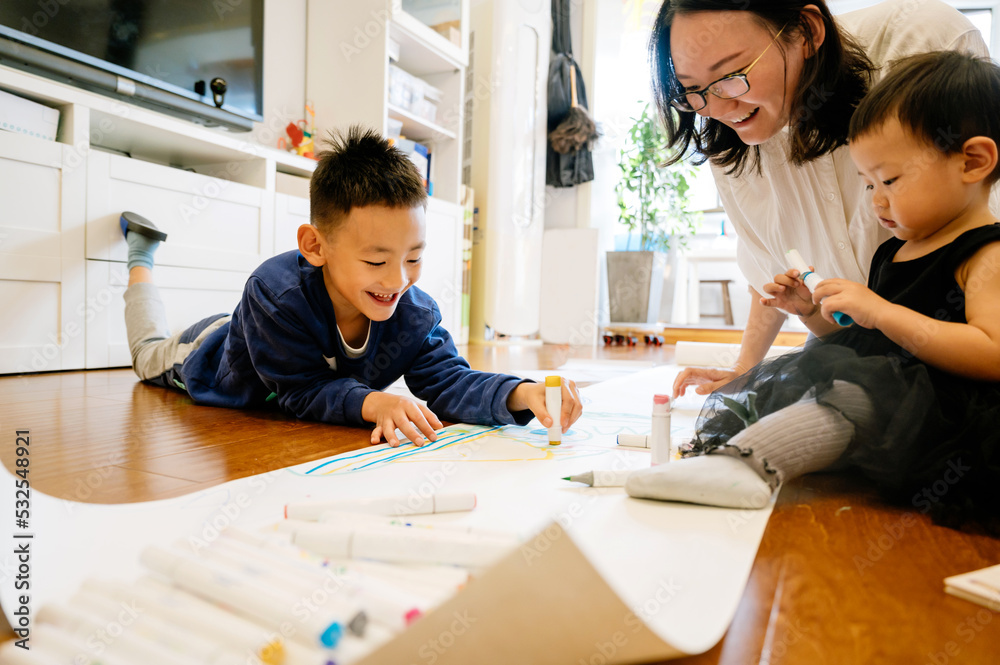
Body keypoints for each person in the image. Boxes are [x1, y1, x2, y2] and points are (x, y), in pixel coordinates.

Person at [627, 50, 1000, 529]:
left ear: (972, 161)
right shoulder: (896, 251)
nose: (877, 201)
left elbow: (991, 351)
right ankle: (735, 460)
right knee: (830, 387)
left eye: (889, 180)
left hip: (957, 418)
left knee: (852, 395)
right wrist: (810, 313)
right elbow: (861, 342)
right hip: (897, 406)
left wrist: (882, 312)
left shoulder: (986, 253)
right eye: (868, 185)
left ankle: (743, 467)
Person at [121, 126, 583, 447]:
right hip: (209, 355)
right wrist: (371, 402)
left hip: (269, 345)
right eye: (376, 260)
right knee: (147, 353)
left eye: (414, 258)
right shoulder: (273, 293)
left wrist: (520, 393)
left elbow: (448, 381)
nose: (398, 279)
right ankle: (141, 258)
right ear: (315, 246)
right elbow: (300, 393)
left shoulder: (413, 312)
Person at [651, 0, 997, 400]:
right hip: (876, 383)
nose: (717, 108)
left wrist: (881, 313)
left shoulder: (917, 49)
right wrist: (749, 364)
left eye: (731, 74)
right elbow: (772, 254)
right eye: (692, 89)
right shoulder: (732, 133)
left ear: (808, 31)